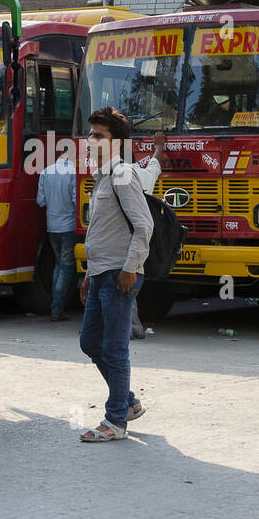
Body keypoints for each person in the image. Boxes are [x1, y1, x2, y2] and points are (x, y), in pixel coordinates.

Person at [77, 108, 152, 443]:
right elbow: (103, 231)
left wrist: (130, 268)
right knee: (90, 342)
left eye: (99, 136)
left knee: (114, 348)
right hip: (101, 273)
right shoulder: (103, 176)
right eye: (90, 134)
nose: (91, 140)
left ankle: (115, 421)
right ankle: (129, 403)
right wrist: (90, 274)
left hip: (120, 275)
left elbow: (143, 225)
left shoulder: (123, 174)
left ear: (117, 143)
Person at [128, 131, 167, 340]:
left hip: (122, 244)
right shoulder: (143, 175)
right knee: (131, 288)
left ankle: (130, 328)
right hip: (140, 244)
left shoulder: (114, 176)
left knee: (123, 290)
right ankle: (134, 328)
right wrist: (158, 146)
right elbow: (155, 161)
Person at [36, 143, 77, 321]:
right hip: (69, 226)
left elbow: (40, 200)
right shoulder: (74, 172)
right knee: (66, 267)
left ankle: (56, 306)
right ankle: (57, 308)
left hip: (52, 226)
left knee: (59, 265)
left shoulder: (46, 171)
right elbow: (77, 199)